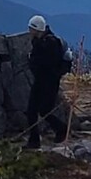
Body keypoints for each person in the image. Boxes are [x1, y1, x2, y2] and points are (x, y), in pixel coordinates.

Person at [25, 14, 70, 148]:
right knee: (32, 110)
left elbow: (47, 64)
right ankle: (34, 140)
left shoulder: (49, 43)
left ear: (36, 29)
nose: (29, 32)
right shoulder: (43, 41)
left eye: (31, 29)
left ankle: (61, 129)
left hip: (49, 82)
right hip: (41, 81)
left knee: (44, 110)